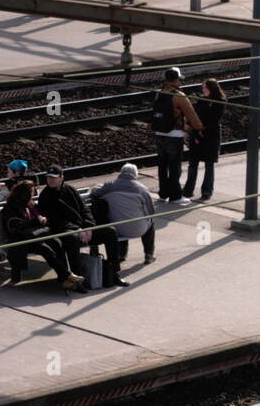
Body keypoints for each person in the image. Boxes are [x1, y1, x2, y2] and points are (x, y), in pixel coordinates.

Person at [36, 164, 128, 288]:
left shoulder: (70, 189)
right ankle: (78, 279)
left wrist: (89, 227)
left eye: (53, 177)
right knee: (71, 239)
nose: (50, 180)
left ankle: (114, 274)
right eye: (48, 177)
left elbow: (85, 210)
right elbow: (54, 221)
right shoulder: (45, 196)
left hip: (83, 229)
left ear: (61, 177)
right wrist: (77, 230)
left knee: (110, 232)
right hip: (65, 231)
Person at [0, 180, 85, 290]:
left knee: (57, 242)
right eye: (31, 191)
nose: (34, 193)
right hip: (21, 242)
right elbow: (16, 227)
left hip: (35, 237)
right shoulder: (10, 207)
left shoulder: (29, 204)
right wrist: (37, 221)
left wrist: (41, 219)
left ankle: (64, 278)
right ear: (25, 194)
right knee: (45, 249)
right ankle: (67, 276)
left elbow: (38, 219)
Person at [151, 67, 202, 205]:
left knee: (162, 166)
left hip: (159, 134)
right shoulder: (179, 95)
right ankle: (175, 196)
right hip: (174, 135)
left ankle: (163, 194)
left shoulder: (159, 93)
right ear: (175, 80)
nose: (180, 81)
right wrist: (199, 128)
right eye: (179, 79)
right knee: (174, 167)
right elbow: (191, 114)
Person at [92, 164, 157, 266]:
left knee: (119, 217)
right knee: (151, 223)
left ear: (121, 172)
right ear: (135, 174)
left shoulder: (110, 185)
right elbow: (151, 212)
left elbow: (95, 192)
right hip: (138, 229)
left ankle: (121, 254)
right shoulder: (142, 189)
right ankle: (149, 254)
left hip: (116, 229)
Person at [182, 78, 225, 202]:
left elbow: (214, 121)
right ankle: (188, 190)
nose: (203, 89)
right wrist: (191, 130)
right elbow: (193, 115)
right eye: (203, 87)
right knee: (193, 164)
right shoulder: (201, 100)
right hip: (196, 134)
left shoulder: (219, 102)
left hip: (210, 136)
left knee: (209, 165)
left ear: (211, 88)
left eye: (205, 87)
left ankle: (206, 191)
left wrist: (201, 136)